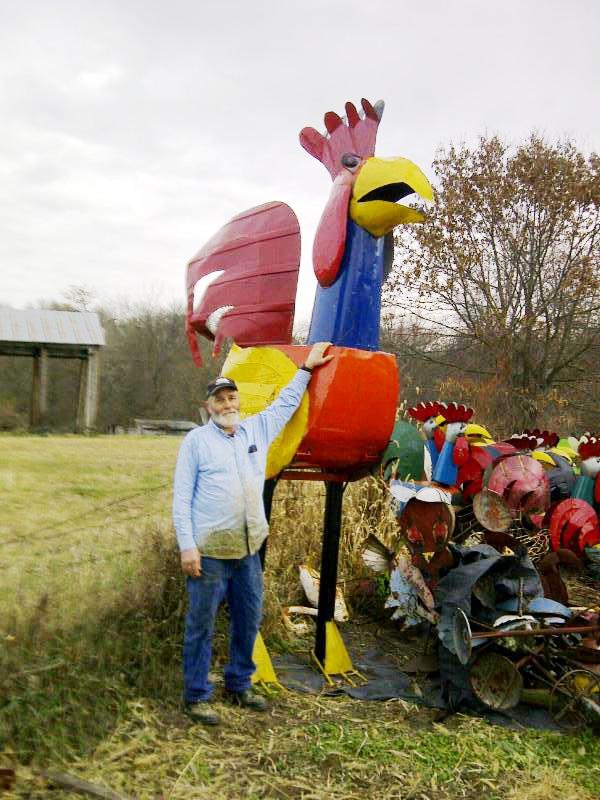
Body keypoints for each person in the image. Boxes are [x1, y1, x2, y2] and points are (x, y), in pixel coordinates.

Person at [172, 342, 334, 725]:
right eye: (220, 400)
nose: (227, 405)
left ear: (238, 401)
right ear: (209, 406)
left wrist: (307, 369)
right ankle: (195, 695)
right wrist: (187, 547)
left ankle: (239, 685)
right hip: (209, 553)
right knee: (201, 623)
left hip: (247, 551)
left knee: (249, 618)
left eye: (232, 398)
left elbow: (286, 404)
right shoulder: (196, 443)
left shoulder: (255, 429)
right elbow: (181, 499)